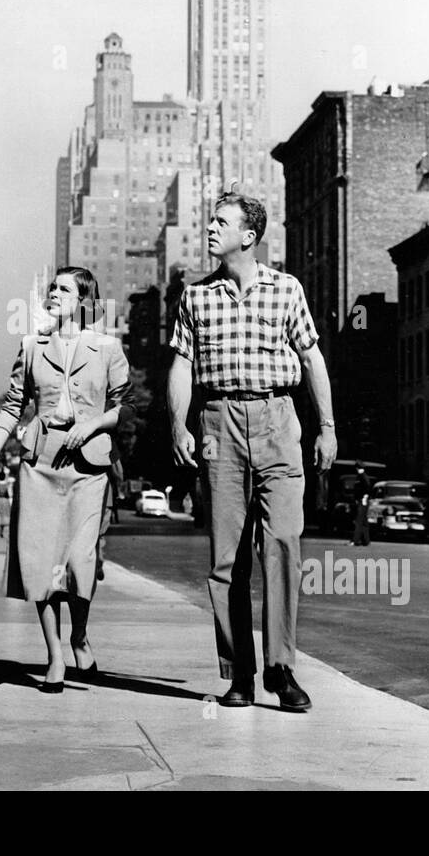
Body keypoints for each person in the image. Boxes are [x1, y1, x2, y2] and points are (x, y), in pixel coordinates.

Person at [168, 193, 337, 711]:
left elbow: (312, 360)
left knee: (284, 542)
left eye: (221, 222)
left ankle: (281, 669)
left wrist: (326, 426)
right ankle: (239, 671)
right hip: (218, 421)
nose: (210, 229)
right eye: (211, 221)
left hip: (279, 420)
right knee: (228, 558)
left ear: (249, 235)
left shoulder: (286, 289)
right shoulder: (195, 297)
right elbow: (179, 366)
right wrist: (179, 423)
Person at [0, 267, 130, 694]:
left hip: (88, 467)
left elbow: (126, 407)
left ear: (84, 300)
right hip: (40, 464)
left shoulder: (107, 349)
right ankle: (55, 655)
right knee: (41, 563)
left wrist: (97, 424)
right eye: (52, 287)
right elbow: (11, 407)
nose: (54, 293)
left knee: (81, 562)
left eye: (64, 288)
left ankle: (79, 634)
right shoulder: (31, 346)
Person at [350, 462, 372, 546]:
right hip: (362, 500)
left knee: (358, 520)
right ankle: (366, 540)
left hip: (362, 501)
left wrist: (364, 498)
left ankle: (355, 540)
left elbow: (367, 488)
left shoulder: (363, 477)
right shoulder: (360, 476)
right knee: (363, 521)